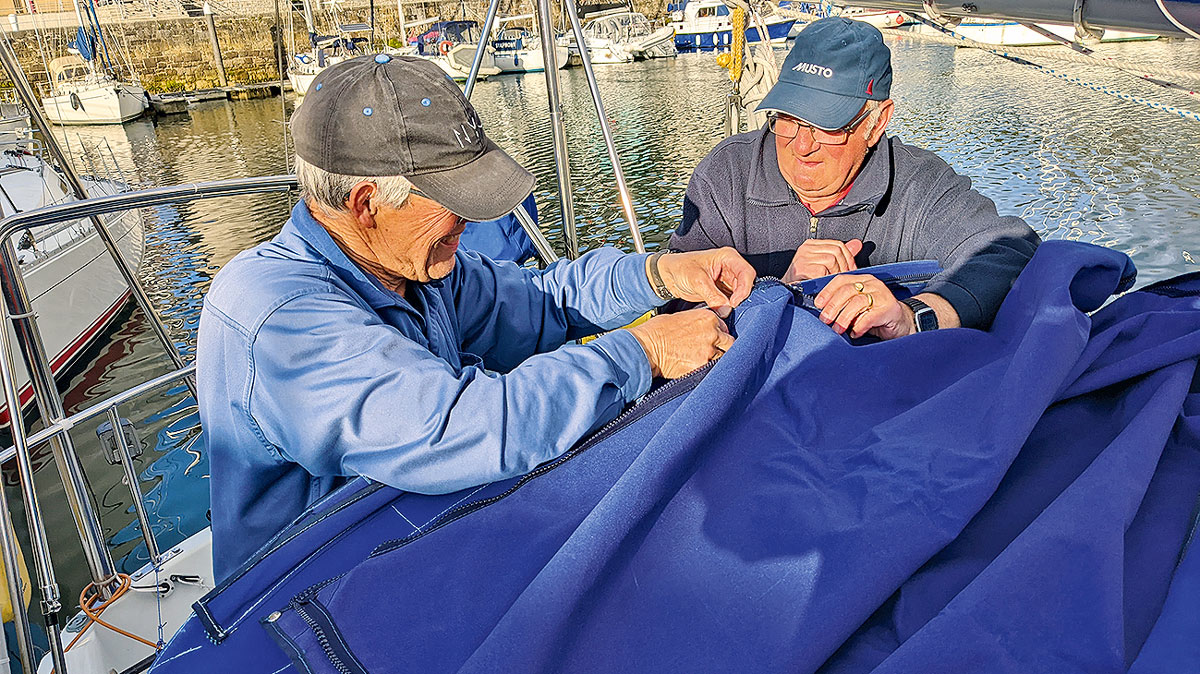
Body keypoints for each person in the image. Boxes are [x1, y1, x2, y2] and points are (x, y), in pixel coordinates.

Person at [197, 55, 756, 581]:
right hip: (304, 598)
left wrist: (661, 274)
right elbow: (454, 427)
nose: (470, 219)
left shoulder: (413, 266)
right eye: (453, 198)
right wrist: (645, 352)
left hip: (405, 546)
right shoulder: (277, 312)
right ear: (366, 203)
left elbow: (543, 300)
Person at [670, 17, 1041, 340]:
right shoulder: (726, 174)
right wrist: (779, 290)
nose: (802, 145)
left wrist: (913, 316)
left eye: (827, 125)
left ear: (876, 123)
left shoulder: (918, 185)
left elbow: (1010, 250)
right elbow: (674, 307)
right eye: (789, 118)